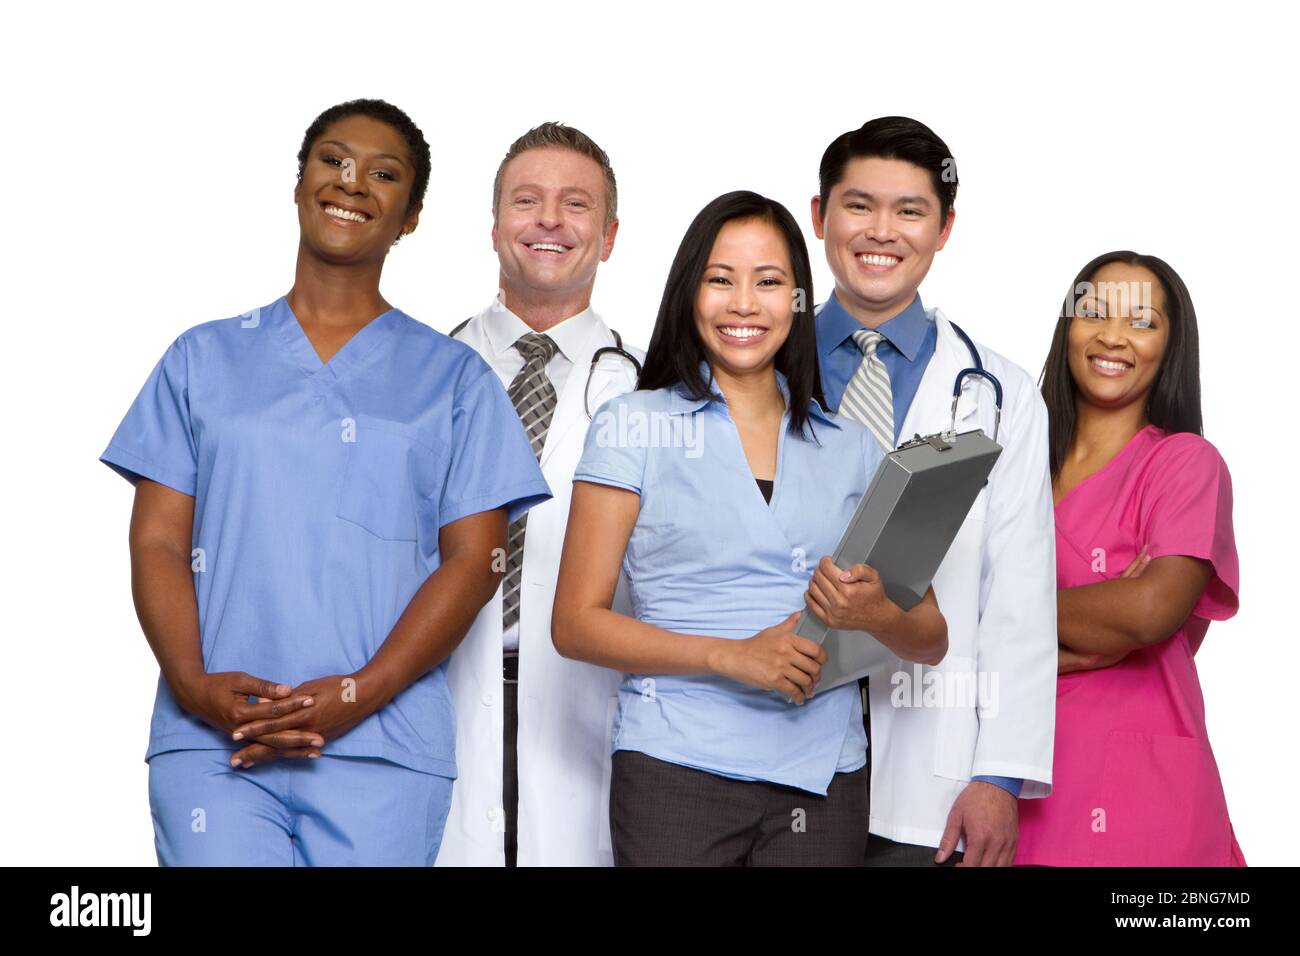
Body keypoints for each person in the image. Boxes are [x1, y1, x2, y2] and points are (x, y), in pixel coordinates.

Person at [99, 99, 551, 866]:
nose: (352, 184)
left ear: (410, 217)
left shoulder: (455, 381)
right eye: (333, 161)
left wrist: (359, 693)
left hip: (384, 747)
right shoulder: (201, 359)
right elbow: (159, 542)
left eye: (384, 174)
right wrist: (192, 682)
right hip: (216, 743)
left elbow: (476, 563)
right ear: (301, 180)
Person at [552, 191, 948, 866]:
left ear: (799, 301)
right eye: (720, 280)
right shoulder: (634, 425)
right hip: (675, 769)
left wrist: (875, 609)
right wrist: (730, 656)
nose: (743, 304)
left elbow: (931, 638)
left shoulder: (851, 447)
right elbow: (576, 623)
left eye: (769, 282)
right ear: (690, 292)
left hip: (822, 778)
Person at [810, 116, 1057, 866]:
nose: (881, 231)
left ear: (944, 228)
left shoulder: (1001, 395)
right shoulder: (756, 365)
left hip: (932, 776)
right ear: (819, 217)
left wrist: (998, 777)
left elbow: (1019, 600)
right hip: (767, 761)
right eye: (859, 205)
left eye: (910, 211)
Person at [437, 123, 643, 867]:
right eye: (528, 201)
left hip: (589, 709)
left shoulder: (654, 395)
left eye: (575, 204)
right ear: (496, 227)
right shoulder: (425, 376)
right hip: (445, 695)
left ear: (609, 235)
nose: (550, 220)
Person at [1015, 252, 1244, 866]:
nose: (1113, 336)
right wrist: (1088, 613)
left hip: (1146, 798)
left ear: (1171, 347)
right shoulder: (1013, 467)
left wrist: (1003, 623)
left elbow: (1147, 612)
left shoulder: (1184, 464)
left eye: (1142, 321)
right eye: (1094, 313)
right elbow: (940, 620)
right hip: (1012, 780)